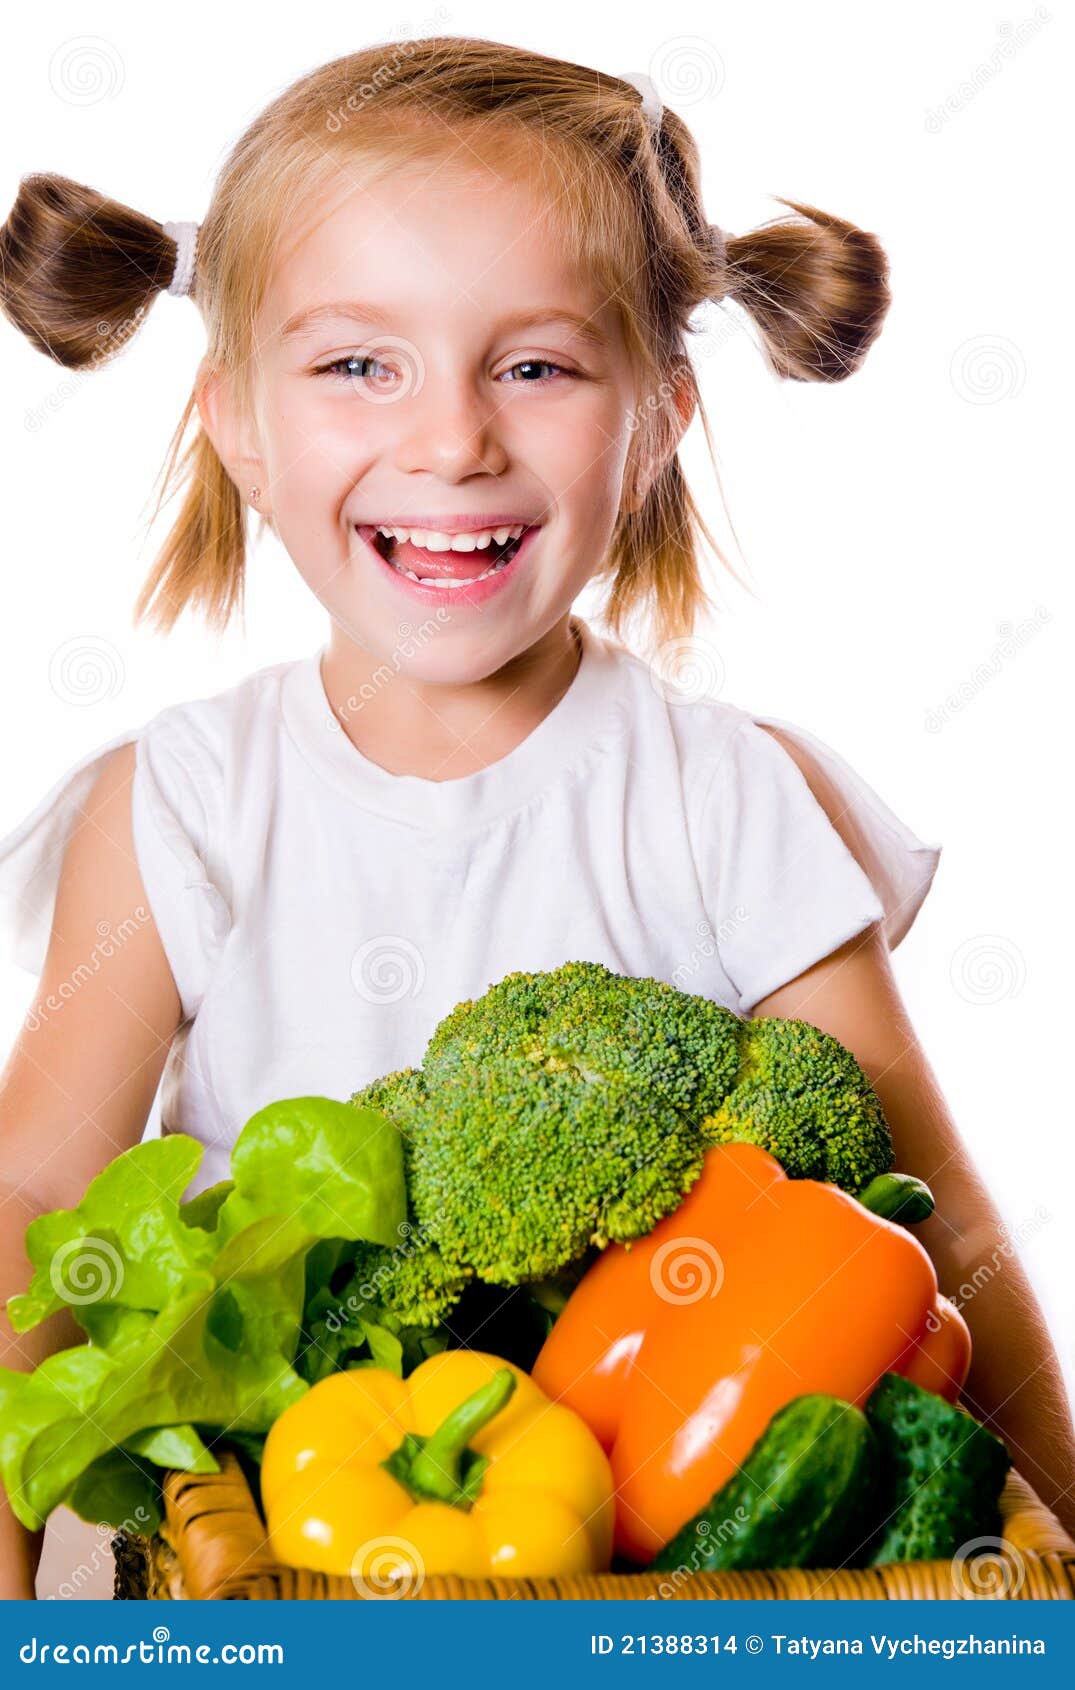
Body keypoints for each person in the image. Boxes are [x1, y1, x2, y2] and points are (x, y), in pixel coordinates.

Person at [0, 37, 1071, 1598]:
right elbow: (37, 1197)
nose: (452, 441)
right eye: (358, 363)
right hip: (278, 1572)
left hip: (663, 1588)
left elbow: (931, 1216)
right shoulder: (186, 802)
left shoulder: (729, 798)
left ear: (661, 421)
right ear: (236, 421)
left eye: (538, 365)